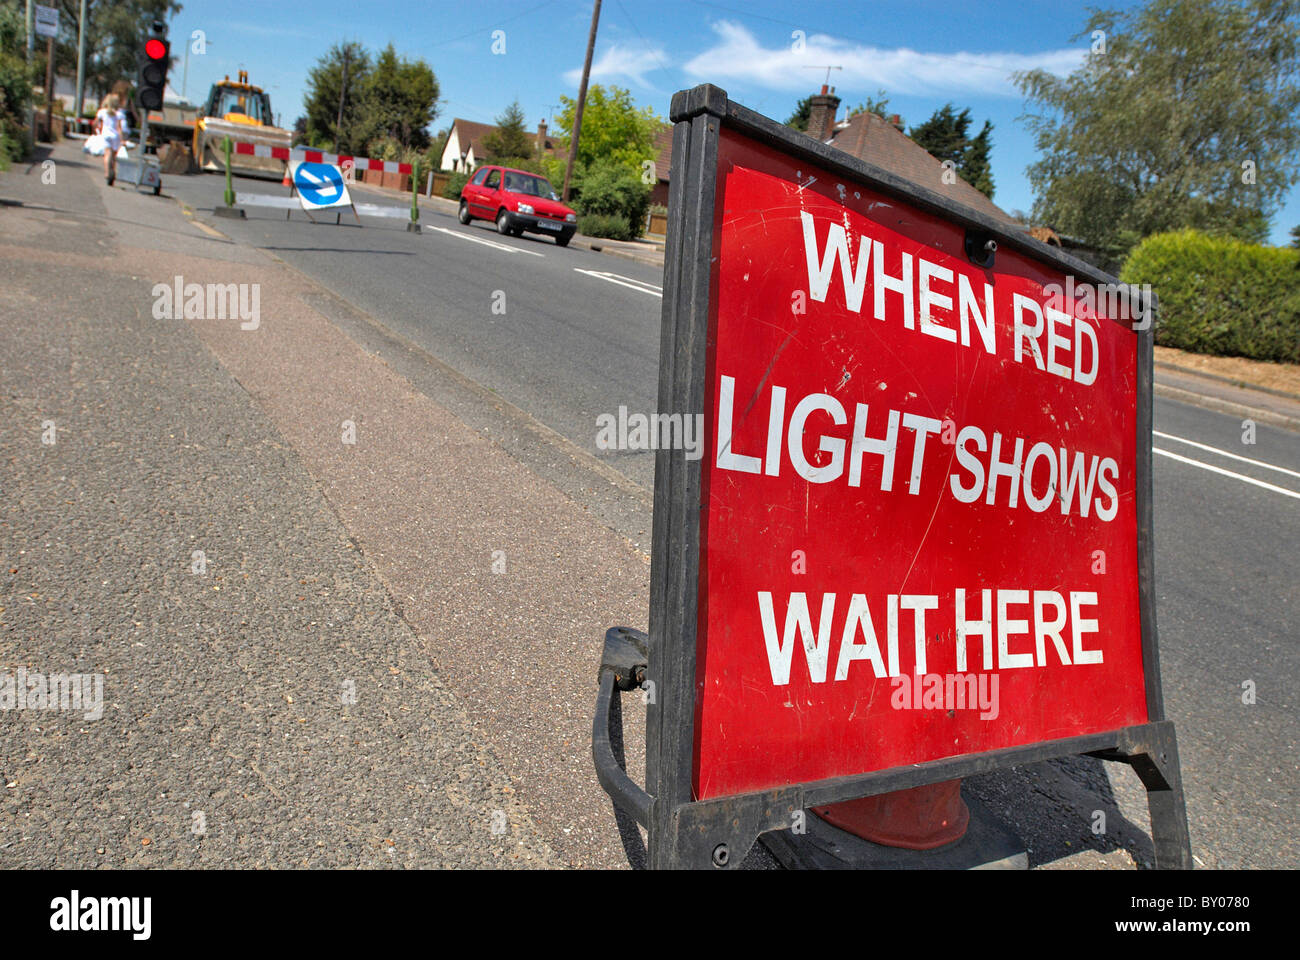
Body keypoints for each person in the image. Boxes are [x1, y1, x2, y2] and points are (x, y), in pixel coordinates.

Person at [95, 94, 128, 186]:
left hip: (106, 135)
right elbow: (120, 128)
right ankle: (112, 171)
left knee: (107, 154)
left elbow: (96, 122)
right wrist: (122, 140)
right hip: (116, 136)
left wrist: (97, 128)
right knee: (113, 156)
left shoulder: (102, 112)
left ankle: (107, 172)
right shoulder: (120, 114)